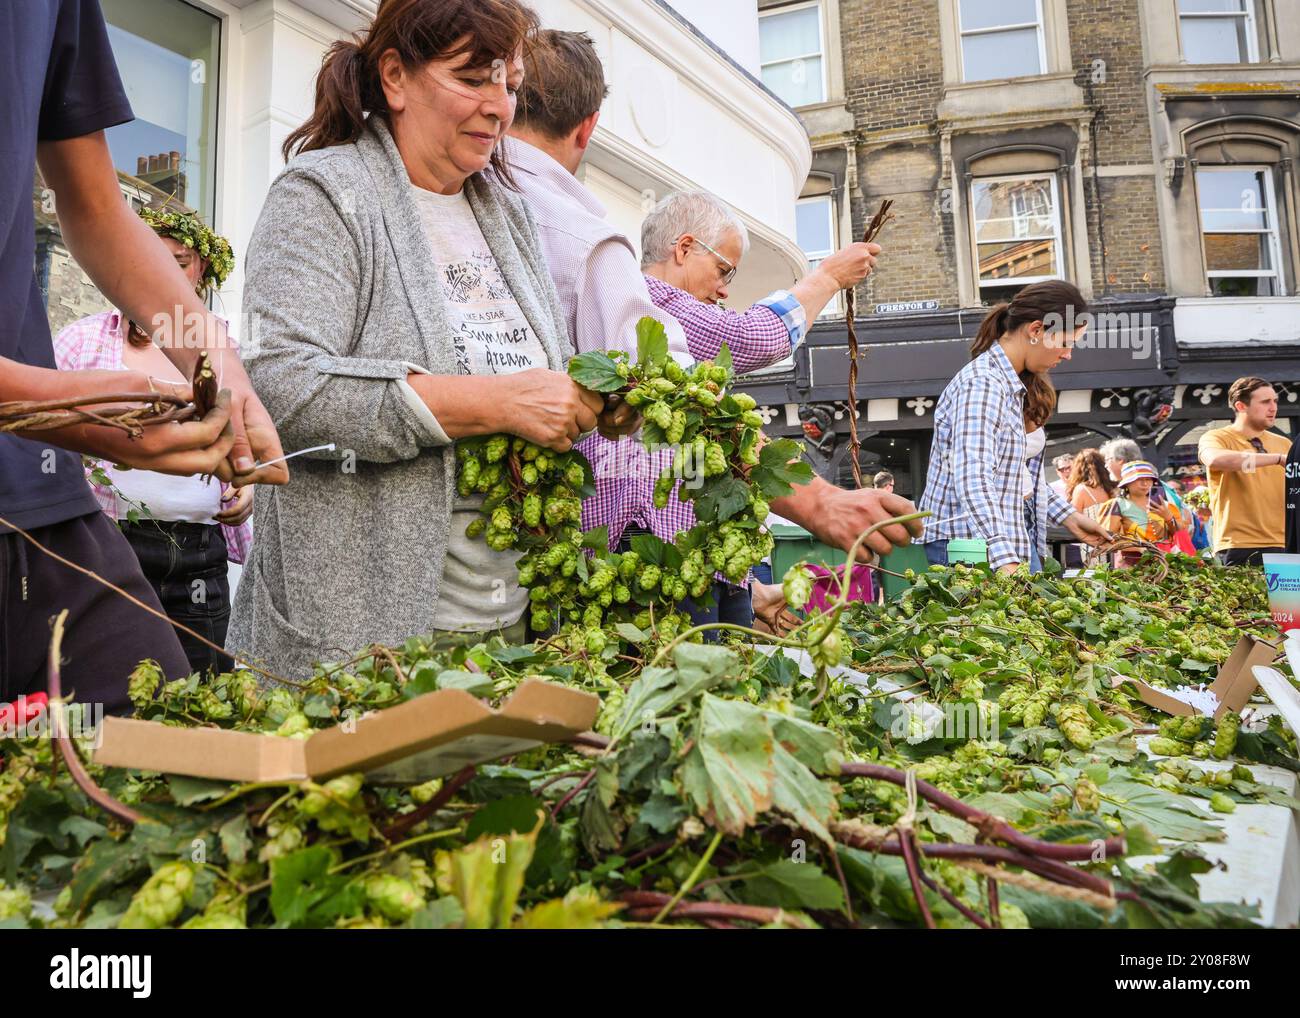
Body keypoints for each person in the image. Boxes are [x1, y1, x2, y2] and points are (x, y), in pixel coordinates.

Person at [226, 0, 637, 677]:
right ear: (395, 76)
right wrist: (498, 402)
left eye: (508, 83)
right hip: (365, 643)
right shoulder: (325, 194)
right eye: (474, 79)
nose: (498, 107)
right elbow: (283, 387)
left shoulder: (506, 214)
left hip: (508, 629)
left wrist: (590, 400)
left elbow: (535, 377)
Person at [505, 29, 920, 632]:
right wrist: (828, 275)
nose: (726, 289)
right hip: (636, 551)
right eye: (723, 270)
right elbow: (753, 340)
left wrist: (748, 584)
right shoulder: (631, 280)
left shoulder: (488, 210)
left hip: (660, 557)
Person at [0, 1, 286, 715]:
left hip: (37, 501)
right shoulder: (81, 347)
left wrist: (225, 377)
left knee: (163, 740)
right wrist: (50, 407)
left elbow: (93, 202)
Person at [53, 205, 254, 676]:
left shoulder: (228, 354)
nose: (163, 273)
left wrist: (246, 486)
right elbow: (40, 442)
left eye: (178, 261)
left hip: (199, 558)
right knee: (107, 685)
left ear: (202, 267)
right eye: (151, 258)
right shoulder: (80, 342)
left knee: (200, 694)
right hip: (106, 546)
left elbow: (245, 448)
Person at [918, 281, 1108, 573]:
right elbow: (974, 478)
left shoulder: (1010, 383)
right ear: (1035, 330)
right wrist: (1003, 556)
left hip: (1003, 536)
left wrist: (1068, 516)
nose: (1068, 354)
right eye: (1066, 342)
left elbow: (1011, 474)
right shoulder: (982, 384)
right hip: (971, 547)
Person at [1198, 376, 1289, 566]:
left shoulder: (1284, 443)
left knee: (1287, 598)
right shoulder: (1216, 437)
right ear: (1241, 406)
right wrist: (1276, 459)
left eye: (1275, 401)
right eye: (1265, 402)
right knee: (1245, 598)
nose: (1273, 408)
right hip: (1238, 545)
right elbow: (1215, 459)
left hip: (1284, 544)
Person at [1094, 460, 1184, 567]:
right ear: (1127, 483)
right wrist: (1139, 548)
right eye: (1138, 479)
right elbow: (1106, 540)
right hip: (1131, 566)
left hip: (1166, 563)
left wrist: (1168, 517)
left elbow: (1181, 535)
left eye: (1148, 479)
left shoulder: (1166, 506)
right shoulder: (1115, 505)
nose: (1145, 484)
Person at [1099, 436, 1188, 527]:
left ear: (1120, 460)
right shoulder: (1117, 502)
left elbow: (1182, 528)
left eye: (1107, 460)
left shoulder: (1157, 489)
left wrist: (1169, 518)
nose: (1105, 465)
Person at [1069, 448, 1116, 516]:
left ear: (1078, 469)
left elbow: (1076, 519)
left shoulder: (1081, 490)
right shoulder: (1113, 485)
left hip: (1093, 526)